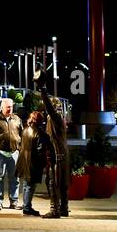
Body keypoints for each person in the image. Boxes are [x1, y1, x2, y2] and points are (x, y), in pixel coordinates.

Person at [35, 71, 69, 218]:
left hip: (58, 155)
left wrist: (42, 89)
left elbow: (48, 106)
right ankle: (64, 208)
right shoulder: (58, 120)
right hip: (61, 153)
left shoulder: (56, 119)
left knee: (52, 182)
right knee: (61, 184)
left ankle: (55, 209)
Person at [0, 97, 23, 209]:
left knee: (15, 178)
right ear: (2, 107)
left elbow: (22, 134)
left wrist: (19, 149)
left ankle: (14, 201)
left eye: (11, 107)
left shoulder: (17, 119)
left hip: (14, 153)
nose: (10, 109)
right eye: (8, 107)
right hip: (0, 154)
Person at [16, 110, 48, 217]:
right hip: (33, 162)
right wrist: (43, 163)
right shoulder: (40, 133)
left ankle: (26, 205)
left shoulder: (25, 130)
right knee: (30, 186)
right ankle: (27, 207)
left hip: (24, 160)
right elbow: (41, 150)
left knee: (26, 184)